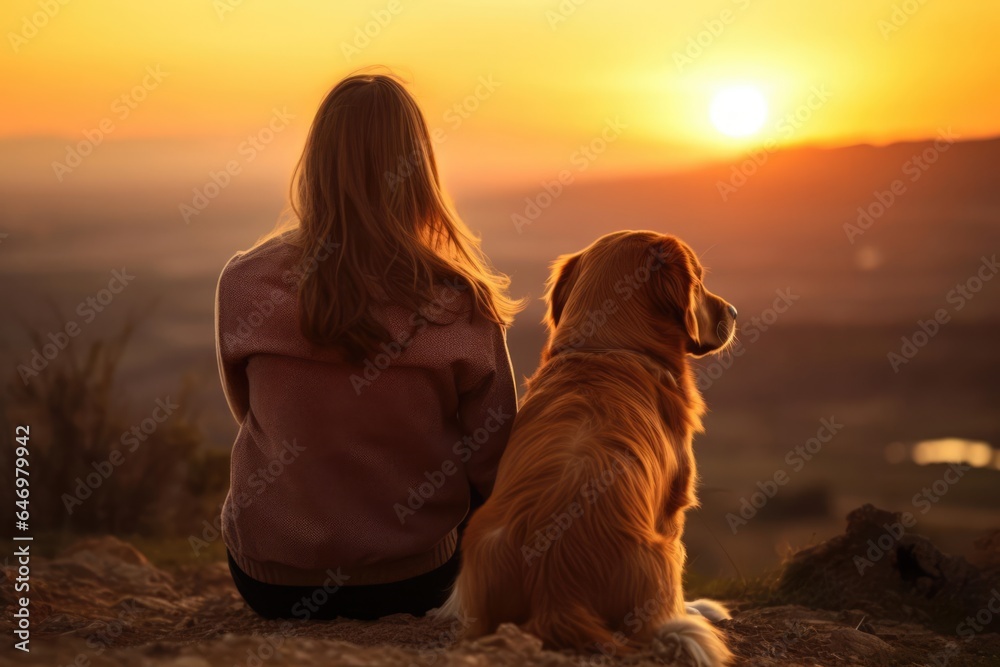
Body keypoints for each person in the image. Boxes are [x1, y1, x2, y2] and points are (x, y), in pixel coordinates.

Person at [215, 71, 521, 620]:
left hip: (272, 581)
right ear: (419, 169)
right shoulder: (459, 300)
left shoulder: (245, 281)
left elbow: (248, 410)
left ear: (316, 163)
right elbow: (494, 462)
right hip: (414, 581)